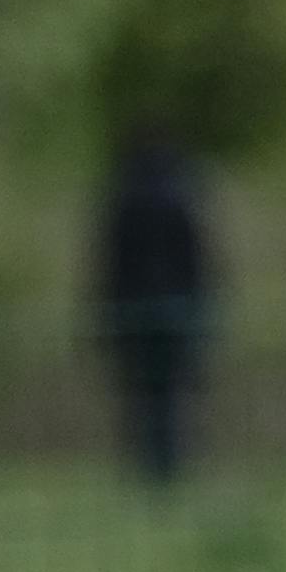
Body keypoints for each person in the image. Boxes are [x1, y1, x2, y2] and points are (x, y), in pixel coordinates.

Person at [93, 131, 215, 487]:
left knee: (141, 397)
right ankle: (168, 469)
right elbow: (198, 262)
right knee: (171, 396)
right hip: (175, 310)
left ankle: (150, 470)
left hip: (133, 310)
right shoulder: (183, 197)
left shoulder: (122, 197)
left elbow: (109, 263)